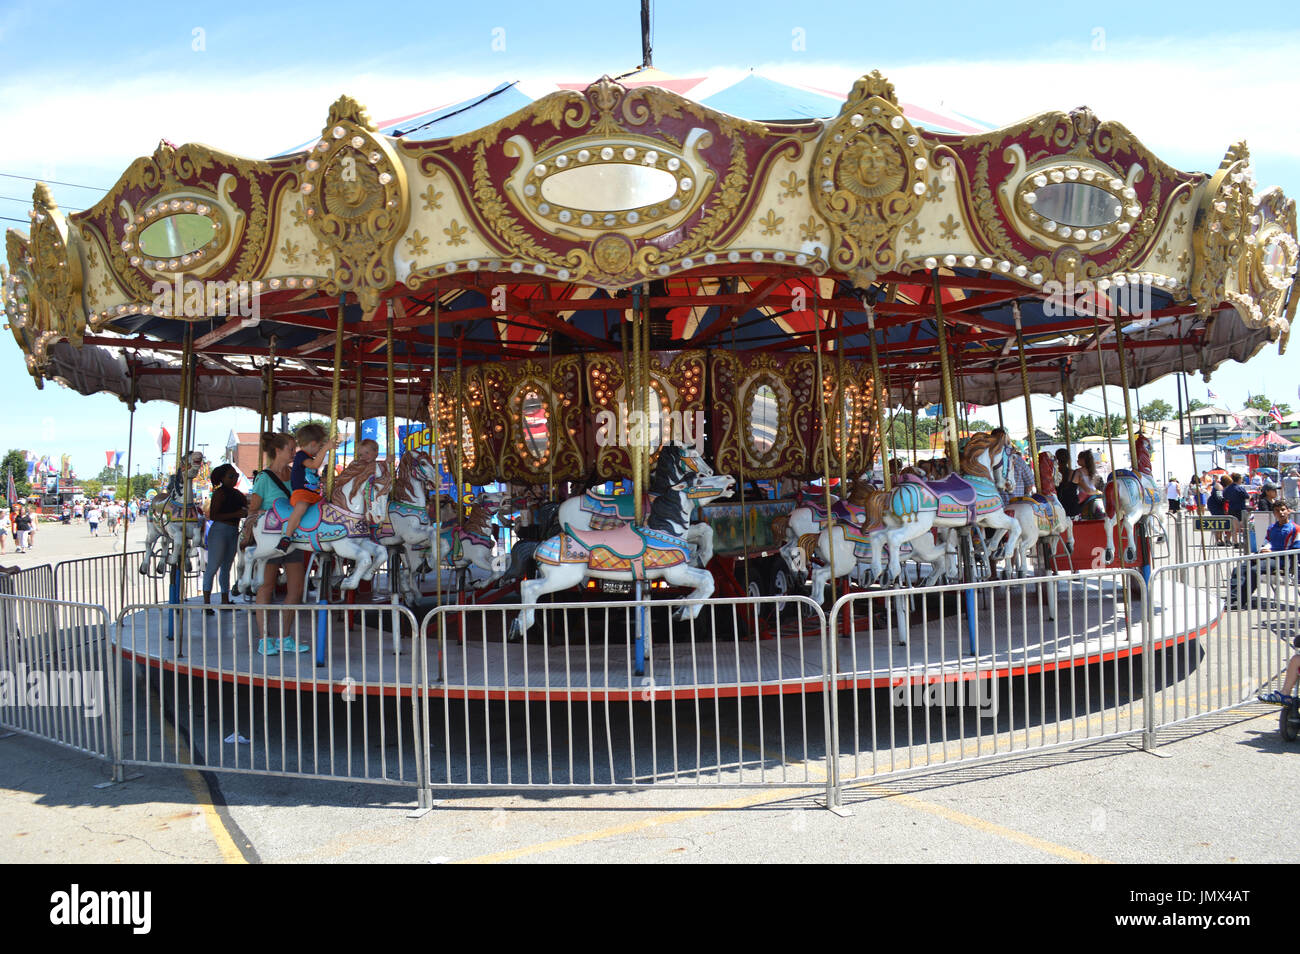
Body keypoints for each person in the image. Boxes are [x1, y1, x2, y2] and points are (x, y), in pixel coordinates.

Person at [245, 432, 309, 655]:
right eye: (291, 449)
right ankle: (264, 638)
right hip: (271, 535)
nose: (294, 453)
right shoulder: (264, 478)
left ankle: (285, 637)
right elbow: (253, 509)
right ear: (278, 450)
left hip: (293, 538)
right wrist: (263, 514)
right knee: (267, 586)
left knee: (296, 588)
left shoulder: (295, 475)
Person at [275, 423, 338, 552]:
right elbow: (314, 465)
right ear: (314, 444)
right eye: (320, 446)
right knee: (301, 506)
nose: (320, 449)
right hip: (301, 494)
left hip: (314, 495)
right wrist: (326, 448)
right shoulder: (301, 456)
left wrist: (329, 480)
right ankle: (286, 537)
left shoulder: (308, 457)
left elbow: (313, 477)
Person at [1228, 500, 1299, 608]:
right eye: (1277, 511)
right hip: (1266, 556)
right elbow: (1266, 543)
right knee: (1239, 568)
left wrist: (1274, 552)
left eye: (1283, 510)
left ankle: (1241, 600)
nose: (1281, 513)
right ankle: (1232, 599)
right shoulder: (1271, 528)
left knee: (1254, 570)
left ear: (1288, 511)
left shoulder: (1296, 529)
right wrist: (1262, 549)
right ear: (1274, 513)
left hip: (1282, 559)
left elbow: (1296, 550)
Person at [202, 464, 247, 615]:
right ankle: (207, 603)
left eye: (235, 476)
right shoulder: (220, 494)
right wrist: (236, 514)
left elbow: (247, 507)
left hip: (232, 530)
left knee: (227, 567)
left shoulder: (237, 494)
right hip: (220, 529)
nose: (234, 479)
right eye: (231, 476)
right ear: (222, 478)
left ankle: (225, 600)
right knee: (213, 566)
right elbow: (214, 515)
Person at [1072, 450, 1103, 519]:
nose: (1077, 461)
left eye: (1079, 459)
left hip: (1084, 493)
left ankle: (1076, 516)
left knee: (1072, 506)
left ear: (1083, 460)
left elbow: (1074, 484)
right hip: (1095, 493)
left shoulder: (1078, 471)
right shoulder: (1094, 471)